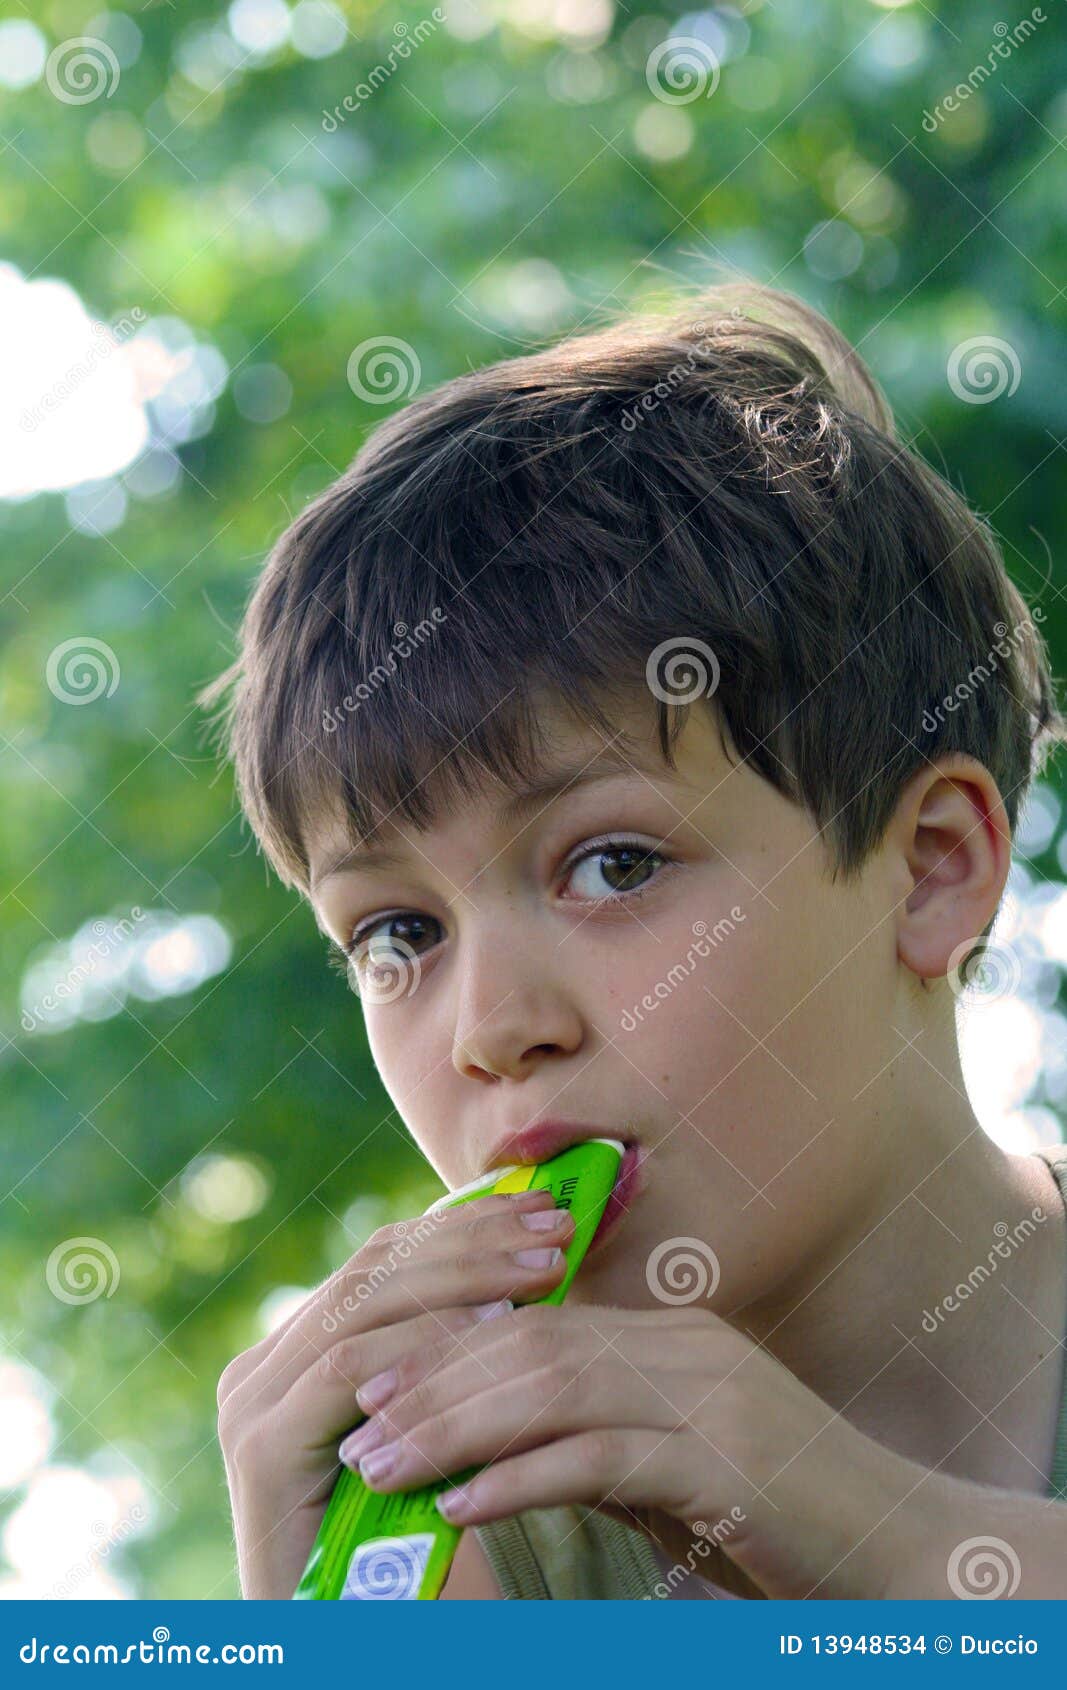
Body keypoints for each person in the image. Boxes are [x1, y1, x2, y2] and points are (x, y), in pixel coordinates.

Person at [204, 277, 1067, 1599]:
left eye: (613, 865)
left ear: (933, 870)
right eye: (398, 931)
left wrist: (884, 1540)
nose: (494, 1029)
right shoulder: (484, 1549)